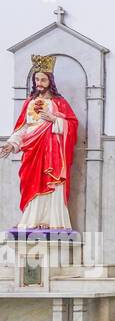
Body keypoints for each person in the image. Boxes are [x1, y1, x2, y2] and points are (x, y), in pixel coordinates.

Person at [1, 67, 79, 231]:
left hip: (53, 153)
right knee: (31, 182)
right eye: (37, 80)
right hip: (32, 150)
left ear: (50, 81)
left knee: (52, 183)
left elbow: (72, 125)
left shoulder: (60, 103)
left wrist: (55, 120)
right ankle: (31, 219)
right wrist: (11, 143)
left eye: (43, 80)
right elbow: (22, 128)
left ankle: (52, 220)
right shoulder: (29, 102)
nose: (39, 83)